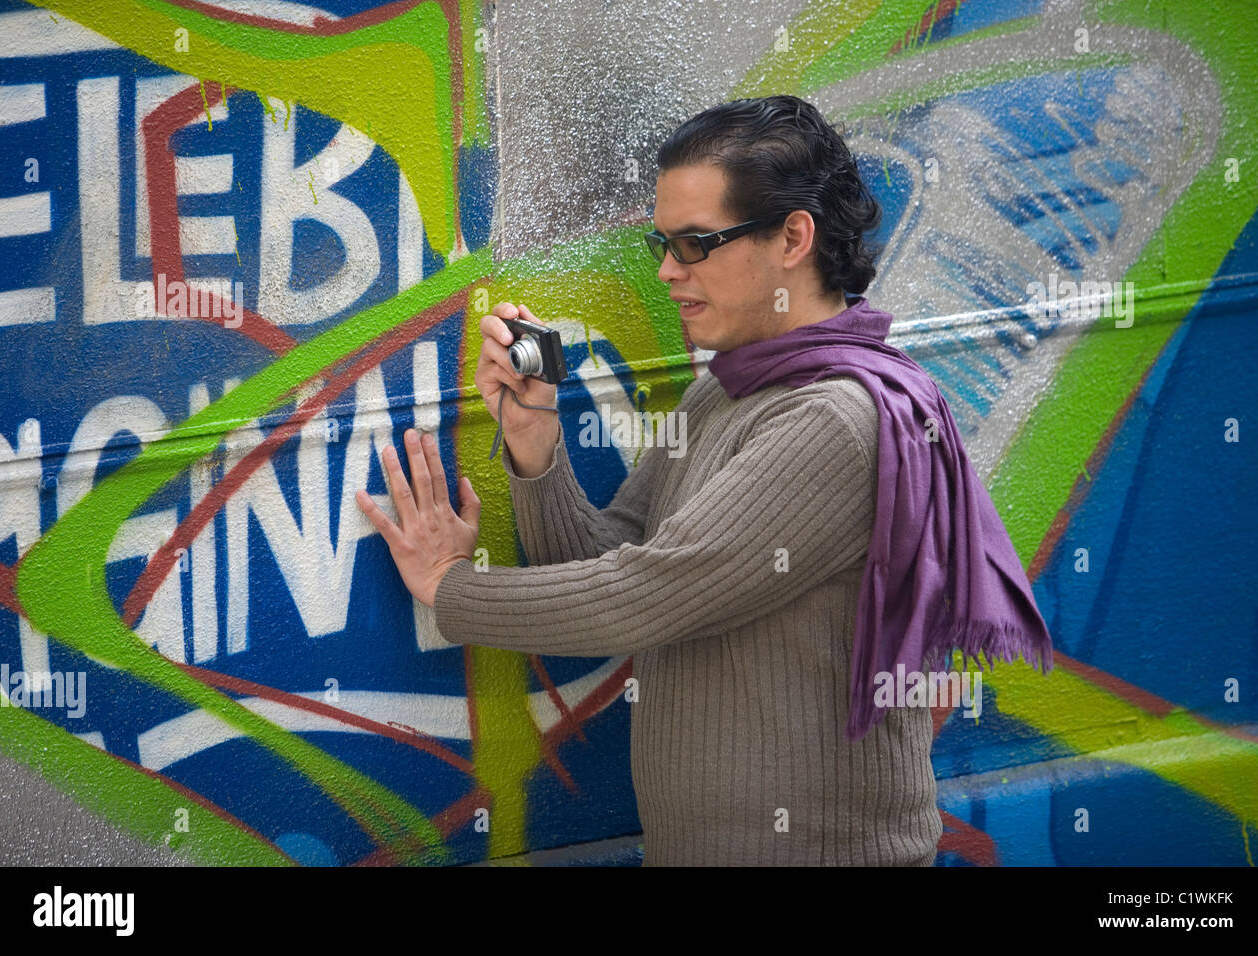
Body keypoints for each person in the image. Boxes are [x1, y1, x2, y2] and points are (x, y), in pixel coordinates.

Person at [355, 94, 1052, 866]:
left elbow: (640, 596)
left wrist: (450, 588)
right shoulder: (724, 388)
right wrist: (535, 441)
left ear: (794, 237)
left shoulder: (837, 418)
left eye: (694, 244)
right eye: (664, 241)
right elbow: (607, 556)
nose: (666, 270)